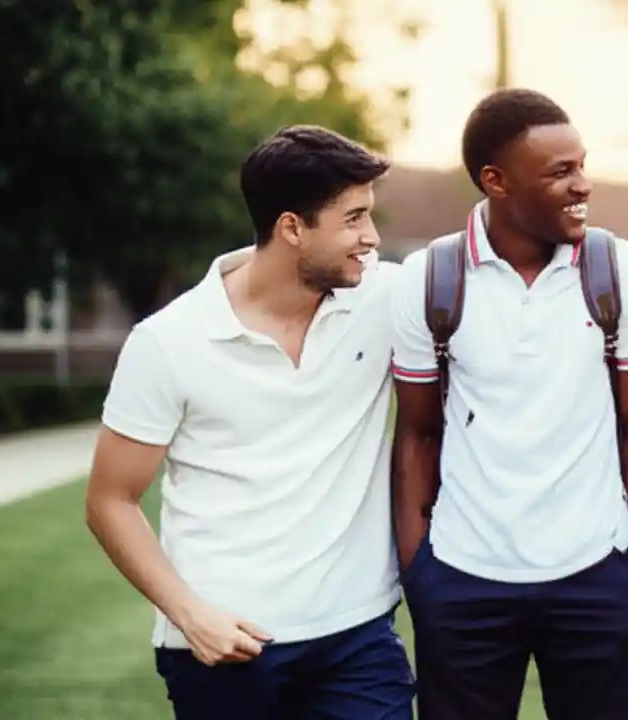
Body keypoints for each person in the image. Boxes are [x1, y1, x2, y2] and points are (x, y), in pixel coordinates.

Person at [85, 125, 416, 719]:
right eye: (353, 218)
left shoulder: (384, 298)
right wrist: (189, 615)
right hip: (224, 647)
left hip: (357, 636)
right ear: (291, 227)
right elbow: (111, 499)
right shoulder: (168, 342)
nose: (371, 238)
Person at [389, 88, 628, 720]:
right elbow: (416, 436)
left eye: (582, 164)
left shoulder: (622, 272)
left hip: (598, 576)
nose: (583, 185)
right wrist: (421, 576)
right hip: (463, 581)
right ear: (495, 181)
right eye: (560, 172)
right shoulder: (430, 280)